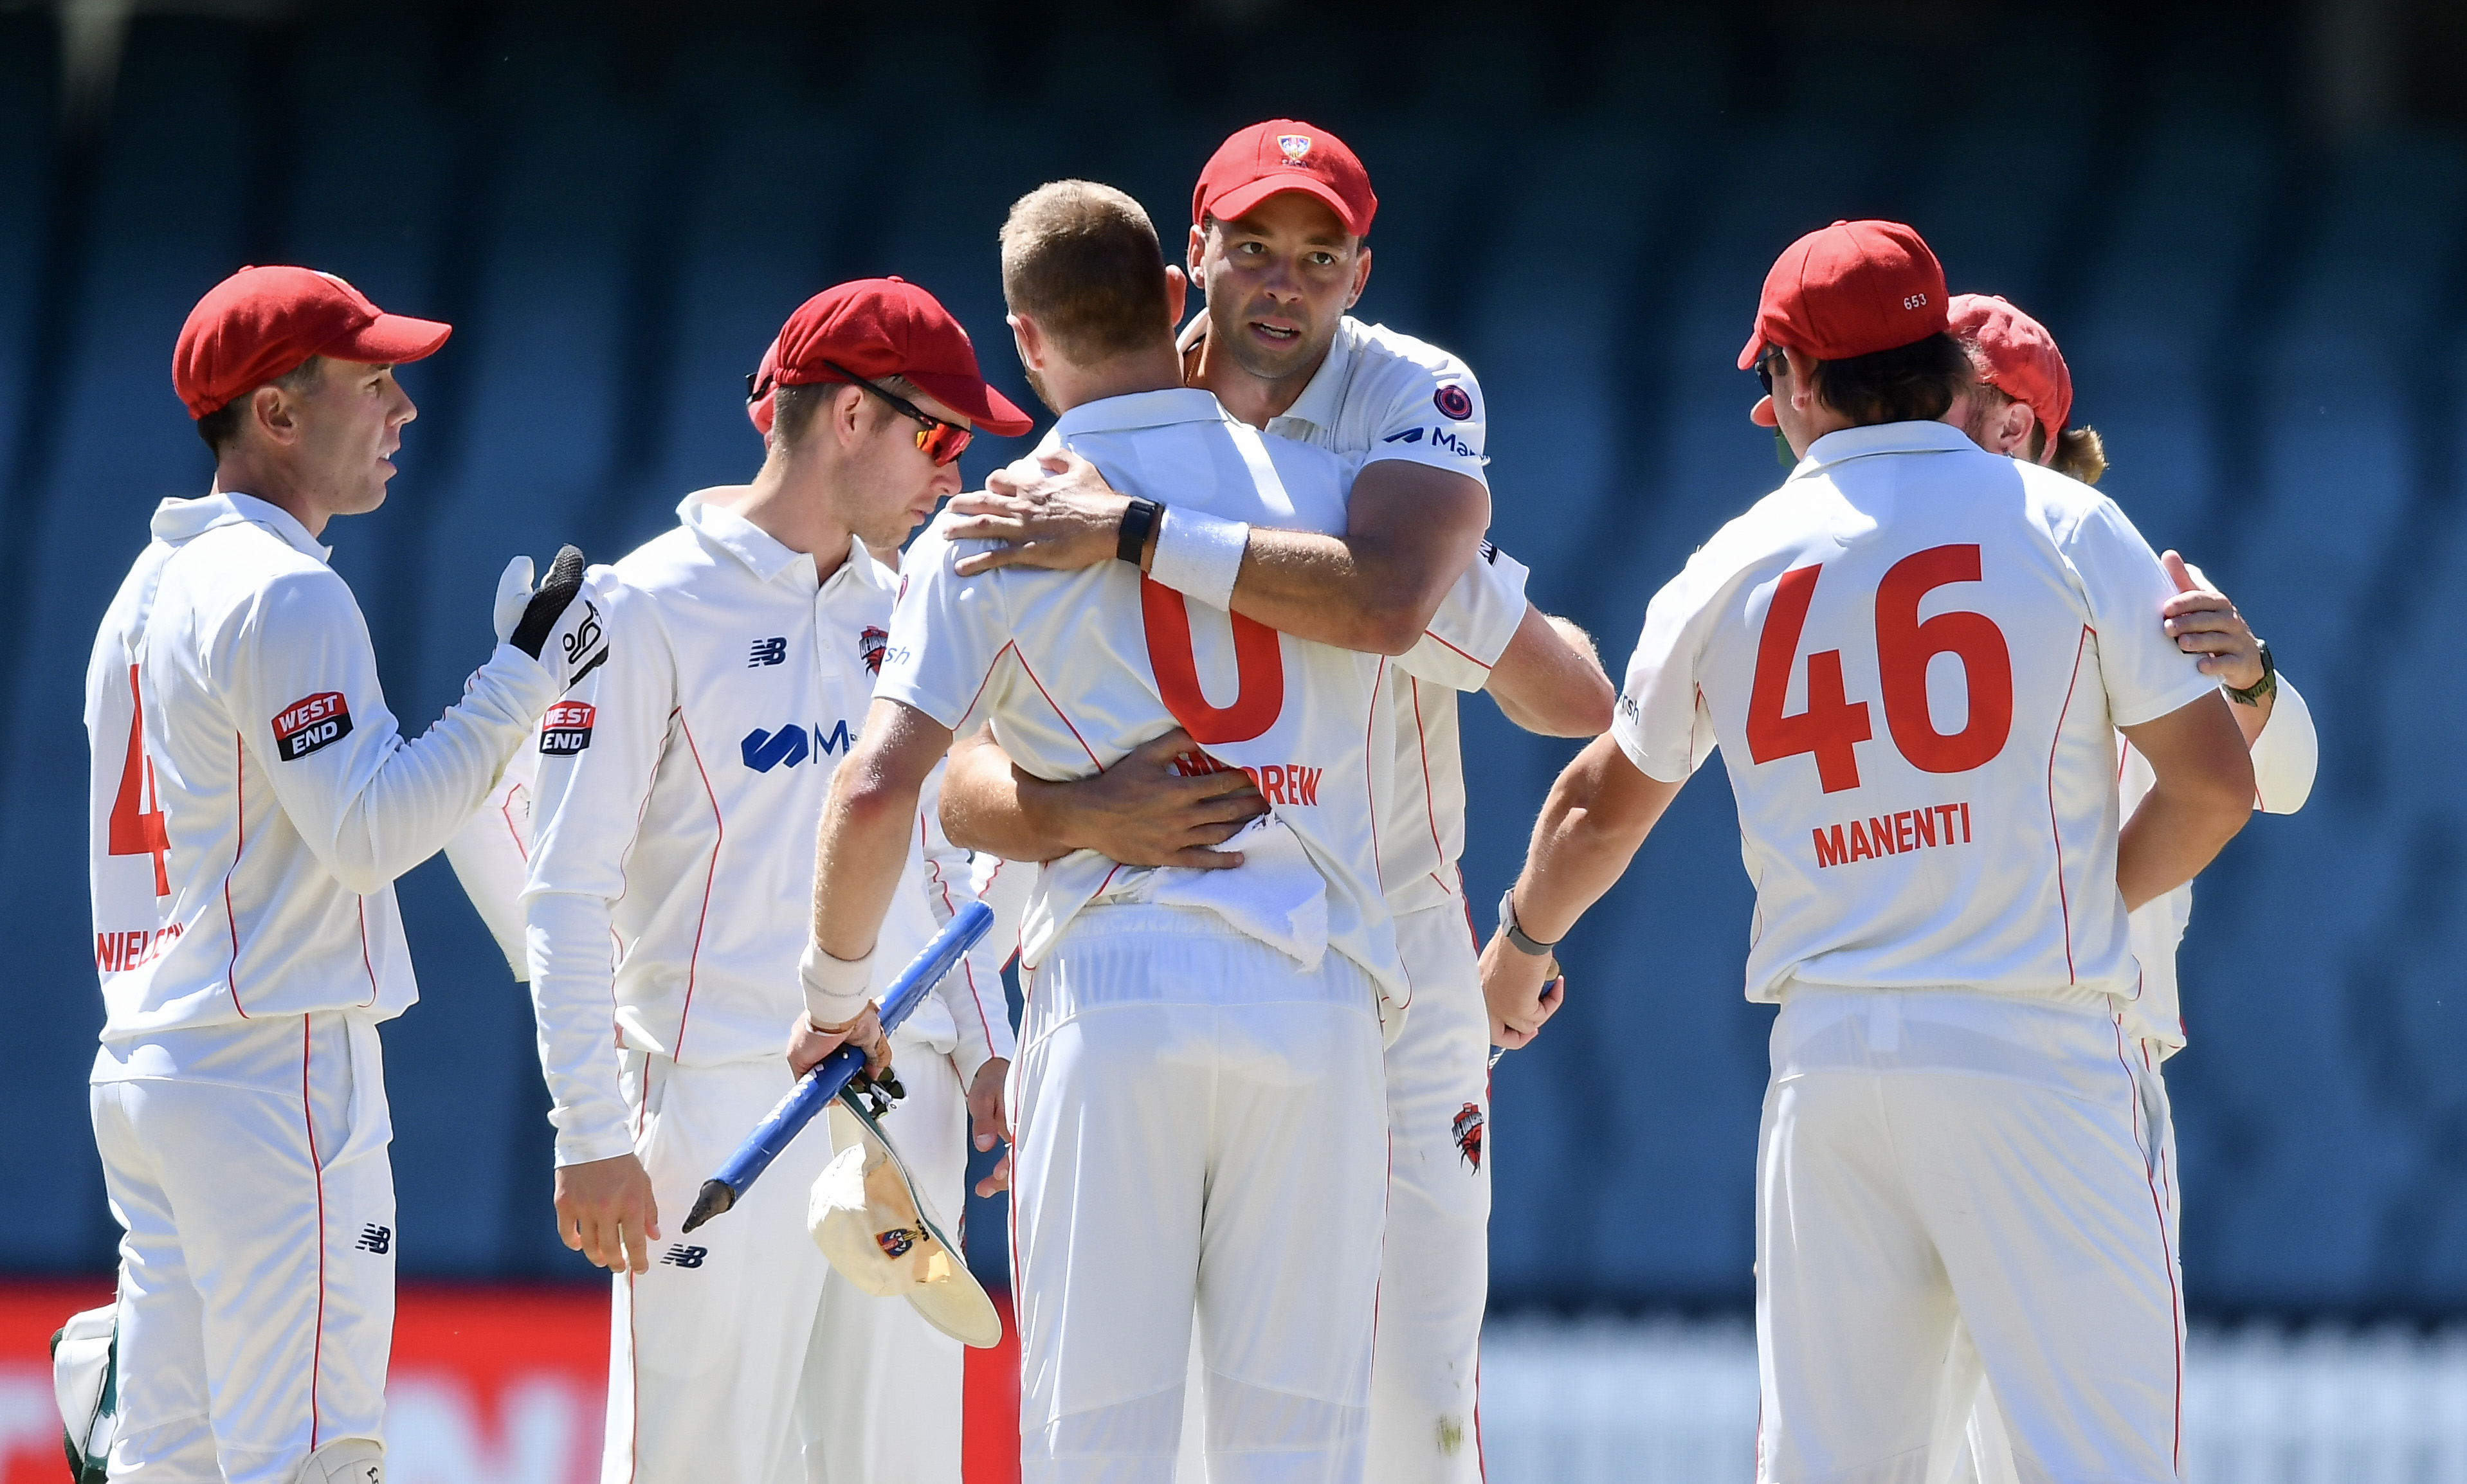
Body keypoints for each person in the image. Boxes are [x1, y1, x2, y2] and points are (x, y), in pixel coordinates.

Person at [1479, 220, 2259, 1483]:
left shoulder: (1729, 562)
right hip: (2037, 1051)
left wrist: (1515, 949)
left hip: (1834, 1065)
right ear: (1946, 355)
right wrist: (2074, 905)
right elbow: (2215, 786)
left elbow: (1594, 807)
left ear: (1792, 380)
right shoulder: (2062, 522)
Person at [801, 178, 1516, 1484]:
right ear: (1178, 298)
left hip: (1113, 991)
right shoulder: (1336, 497)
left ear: (1023, 338)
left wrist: (835, 993)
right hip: (1318, 999)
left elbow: (873, 790)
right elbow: (1553, 682)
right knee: (1295, 1451)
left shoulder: (993, 520)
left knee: (1101, 1446)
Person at [933, 122, 1612, 1481]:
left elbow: (1494, 652)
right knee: (1190, 1415)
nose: (1282, 286)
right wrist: (1080, 810)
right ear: (1192, 260)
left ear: (1362, 270)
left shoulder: (1395, 398)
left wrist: (1145, 539)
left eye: (1317, 255)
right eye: (1251, 249)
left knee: (1411, 1378)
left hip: (1384, 935)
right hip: (1148, 931)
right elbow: (951, 770)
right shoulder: (1103, 433)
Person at [83, 265, 605, 1484]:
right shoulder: (286, 588)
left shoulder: (140, 590)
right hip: (275, 1072)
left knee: (171, 1468)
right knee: (307, 1466)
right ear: (276, 412)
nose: (404, 411)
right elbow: (373, 834)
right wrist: (522, 672)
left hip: (152, 1066)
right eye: (374, 383)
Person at [513, 279, 1027, 1483]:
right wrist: (589, 1130)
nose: (952, 473)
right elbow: (564, 889)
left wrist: (990, 1046)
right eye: (937, 436)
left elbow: (948, 853)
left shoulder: (913, 606)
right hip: (717, 1108)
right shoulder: (640, 607)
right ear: (850, 415)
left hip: (908, 1102)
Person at [1922, 293, 2318, 1483]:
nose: (1978, 424)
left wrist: (2250, 681)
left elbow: (2282, 777)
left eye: (2003, 408)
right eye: (1958, 394)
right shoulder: (1858, 568)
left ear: (2043, 435)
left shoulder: (2112, 565)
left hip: (2087, 1044)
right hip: (1925, 1040)